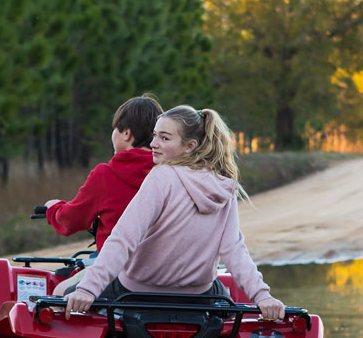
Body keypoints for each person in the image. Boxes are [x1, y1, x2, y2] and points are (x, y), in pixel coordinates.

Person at [63, 105, 285, 320]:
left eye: (164, 138)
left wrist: (88, 290)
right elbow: (234, 249)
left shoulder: (162, 176)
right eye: (154, 136)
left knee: (62, 300)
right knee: (229, 308)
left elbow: (124, 238)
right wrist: (261, 296)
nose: (153, 144)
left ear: (189, 146)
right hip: (199, 296)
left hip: (139, 292)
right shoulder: (224, 185)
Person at [43, 95, 163, 295]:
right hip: (164, 272)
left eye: (115, 129)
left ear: (126, 133)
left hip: (117, 272)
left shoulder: (106, 174)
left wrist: (53, 209)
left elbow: (72, 220)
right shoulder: (171, 172)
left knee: (58, 293)